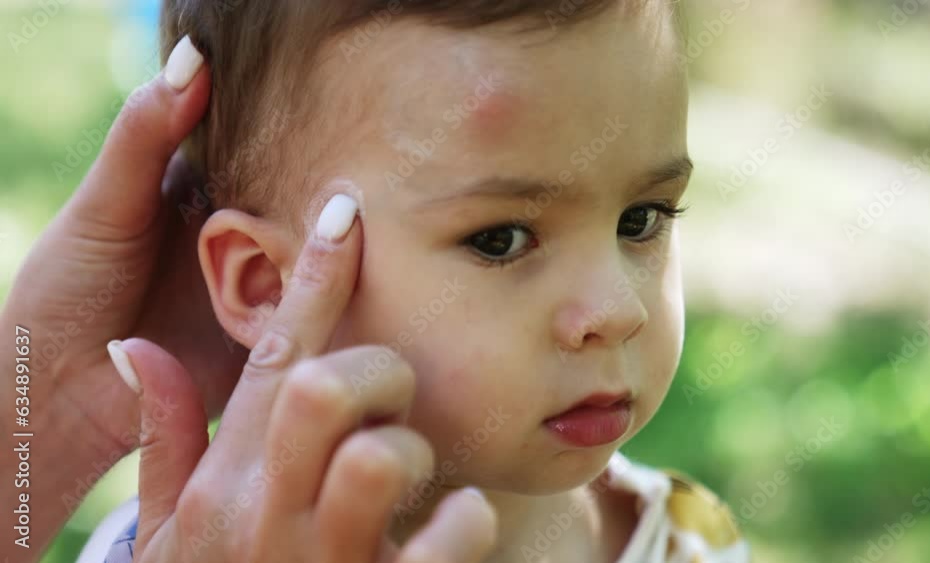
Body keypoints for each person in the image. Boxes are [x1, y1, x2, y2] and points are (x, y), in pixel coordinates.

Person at [88, 0, 752, 561]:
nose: (617, 308)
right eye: (501, 239)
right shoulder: (182, 548)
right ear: (268, 282)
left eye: (641, 218)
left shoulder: (694, 541)